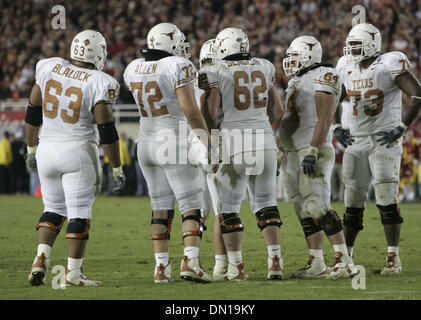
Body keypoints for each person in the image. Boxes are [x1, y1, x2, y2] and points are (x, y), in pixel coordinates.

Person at [26, 30, 125, 287]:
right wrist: (116, 166)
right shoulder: (100, 81)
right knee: (79, 214)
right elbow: (106, 129)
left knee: (52, 209)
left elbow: (33, 110)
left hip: (47, 149)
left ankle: (41, 258)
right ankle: (72, 274)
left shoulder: (50, 66)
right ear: (100, 53)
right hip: (78, 151)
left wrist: (30, 149)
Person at [123, 22, 214, 283]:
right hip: (172, 139)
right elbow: (190, 110)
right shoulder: (179, 66)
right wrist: (205, 142)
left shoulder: (133, 68)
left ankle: (161, 268)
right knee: (190, 207)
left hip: (146, 142)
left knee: (160, 208)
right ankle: (191, 262)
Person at [334, 23, 421, 274]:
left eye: (356, 45)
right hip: (358, 138)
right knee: (352, 200)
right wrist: (336, 125)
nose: (351, 50)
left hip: (384, 137)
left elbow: (417, 94)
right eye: (349, 45)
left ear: (372, 44)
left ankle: (393, 257)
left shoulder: (389, 62)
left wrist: (402, 126)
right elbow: (335, 97)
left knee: (385, 197)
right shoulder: (345, 65)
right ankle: (346, 257)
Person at [199, 27, 284, 281]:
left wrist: (214, 140)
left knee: (228, 208)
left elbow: (211, 112)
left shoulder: (216, 69)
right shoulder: (266, 66)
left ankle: (236, 268)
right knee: (267, 203)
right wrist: (260, 126)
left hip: (234, 141)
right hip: (265, 140)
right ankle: (275, 263)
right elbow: (278, 110)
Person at [279, 35, 356, 279]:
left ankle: (344, 261)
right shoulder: (297, 79)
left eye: (294, 56)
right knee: (302, 207)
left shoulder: (325, 74)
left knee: (317, 204)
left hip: (311, 150)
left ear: (308, 55)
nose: (289, 61)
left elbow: (324, 116)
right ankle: (316, 262)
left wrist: (313, 149)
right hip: (293, 151)